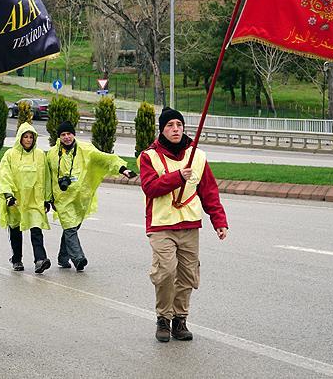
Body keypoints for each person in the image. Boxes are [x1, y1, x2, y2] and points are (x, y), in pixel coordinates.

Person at [138, 107, 228, 343]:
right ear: (162, 129)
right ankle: (163, 318)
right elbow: (150, 188)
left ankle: (180, 319)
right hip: (161, 225)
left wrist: (219, 221)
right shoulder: (148, 156)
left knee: (187, 275)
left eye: (179, 124)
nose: (175, 129)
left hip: (189, 224)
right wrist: (178, 176)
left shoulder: (197, 156)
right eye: (170, 125)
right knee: (166, 272)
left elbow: (209, 191)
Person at [46, 120, 136, 272]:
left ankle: (63, 257)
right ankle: (78, 258)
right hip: (61, 198)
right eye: (63, 134)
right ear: (59, 137)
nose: (66, 137)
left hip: (81, 197)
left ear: (73, 134)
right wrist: (48, 199)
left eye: (69, 134)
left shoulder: (85, 149)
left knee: (72, 227)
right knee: (69, 227)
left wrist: (123, 170)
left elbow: (105, 159)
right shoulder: (52, 155)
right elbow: (47, 178)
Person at [0, 122, 52, 273]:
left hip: (34, 200)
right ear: (20, 138)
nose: (28, 140)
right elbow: (4, 175)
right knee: (16, 230)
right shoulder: (10, 155)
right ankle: (17, 259)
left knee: (36, 229)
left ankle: (40, 260)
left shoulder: (39, 155)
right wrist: (8, 196)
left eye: (31, 137)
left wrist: (46, 199)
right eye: (25, 137)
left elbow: (45, 177)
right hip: (16, 202)